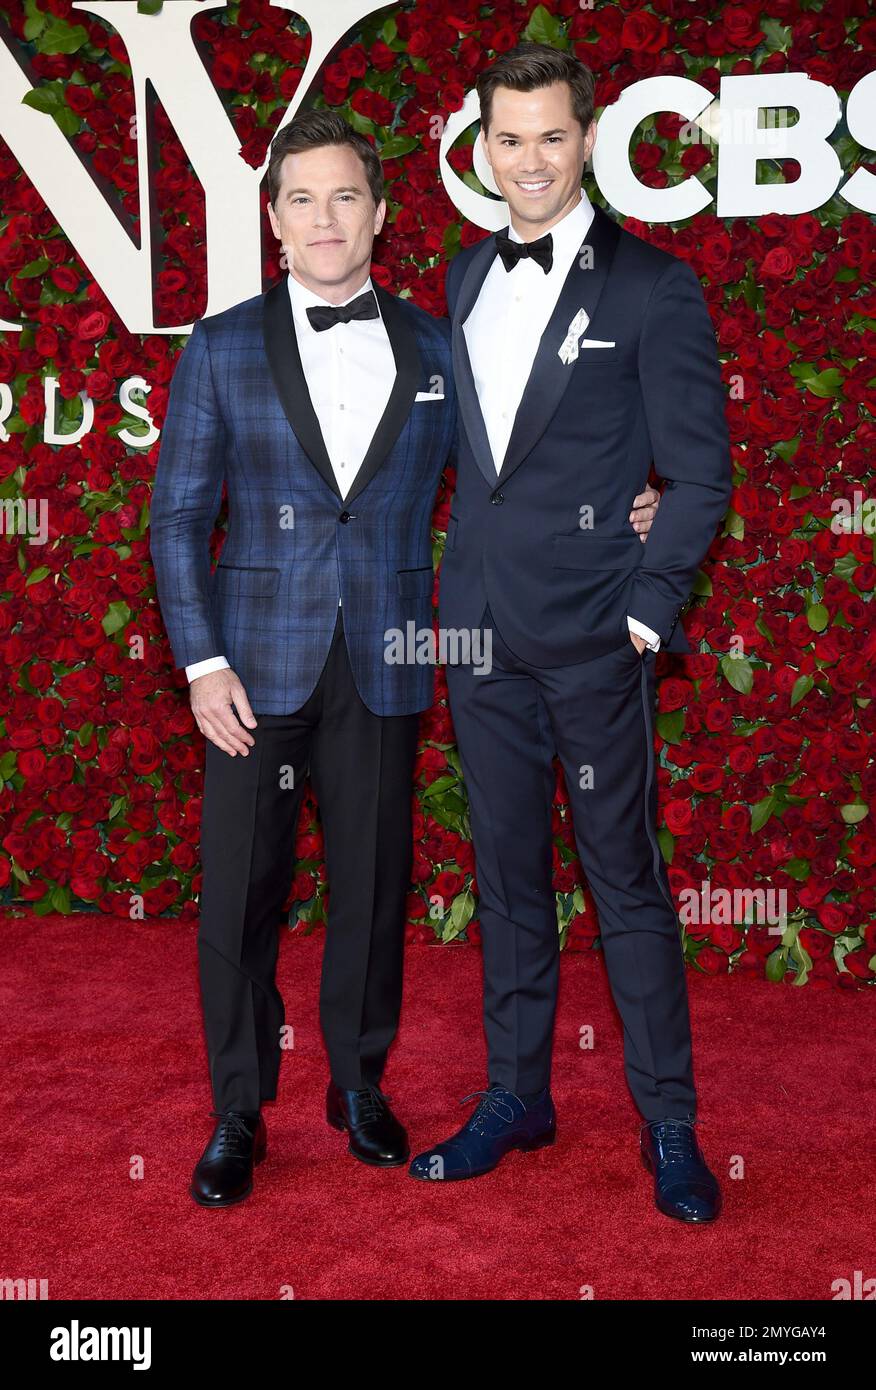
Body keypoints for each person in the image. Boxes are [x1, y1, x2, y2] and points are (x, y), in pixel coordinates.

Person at [409, 44, 732, 1224]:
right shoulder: (458, 279)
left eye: (550, 136)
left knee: (626, 881)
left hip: (599, 636)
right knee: (505, 878)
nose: (529, 159)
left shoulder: (653, 286)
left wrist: (648, 610)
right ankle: (516, 1097)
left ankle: (671, 1125)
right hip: (479, 633)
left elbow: (698, 472)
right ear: (481, 147)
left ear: (589, 138)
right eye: (508, 137)